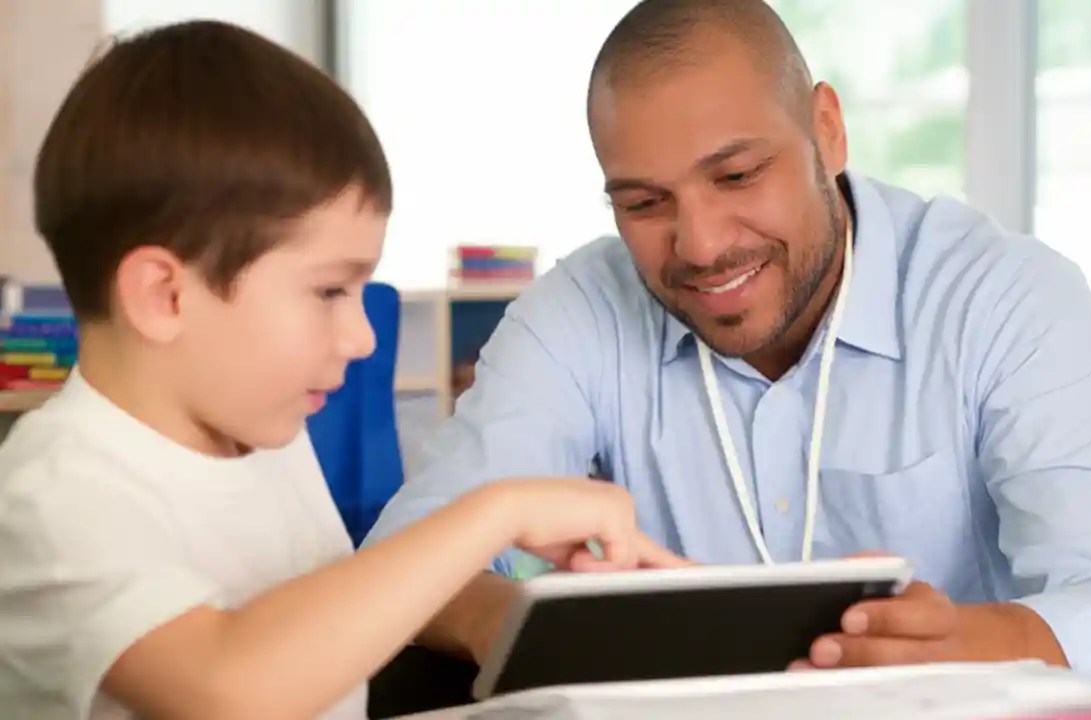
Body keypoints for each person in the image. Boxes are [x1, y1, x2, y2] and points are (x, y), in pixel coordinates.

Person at [367, 0, 1091, 697]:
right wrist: (530, 623)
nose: (698, 245)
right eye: (646, 202)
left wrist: (970, 642)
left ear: (827, 133)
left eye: (736, 177)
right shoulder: (578, 310)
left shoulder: (1008, 298)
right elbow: (391, 577)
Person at [0, 21, 686, 720]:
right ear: (163, 296)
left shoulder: (267, 442)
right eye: (330, 291)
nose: (361, 338)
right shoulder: (52, 498)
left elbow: (337, 632)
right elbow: (229, 688)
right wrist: (499, 511)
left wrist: (538, 619)